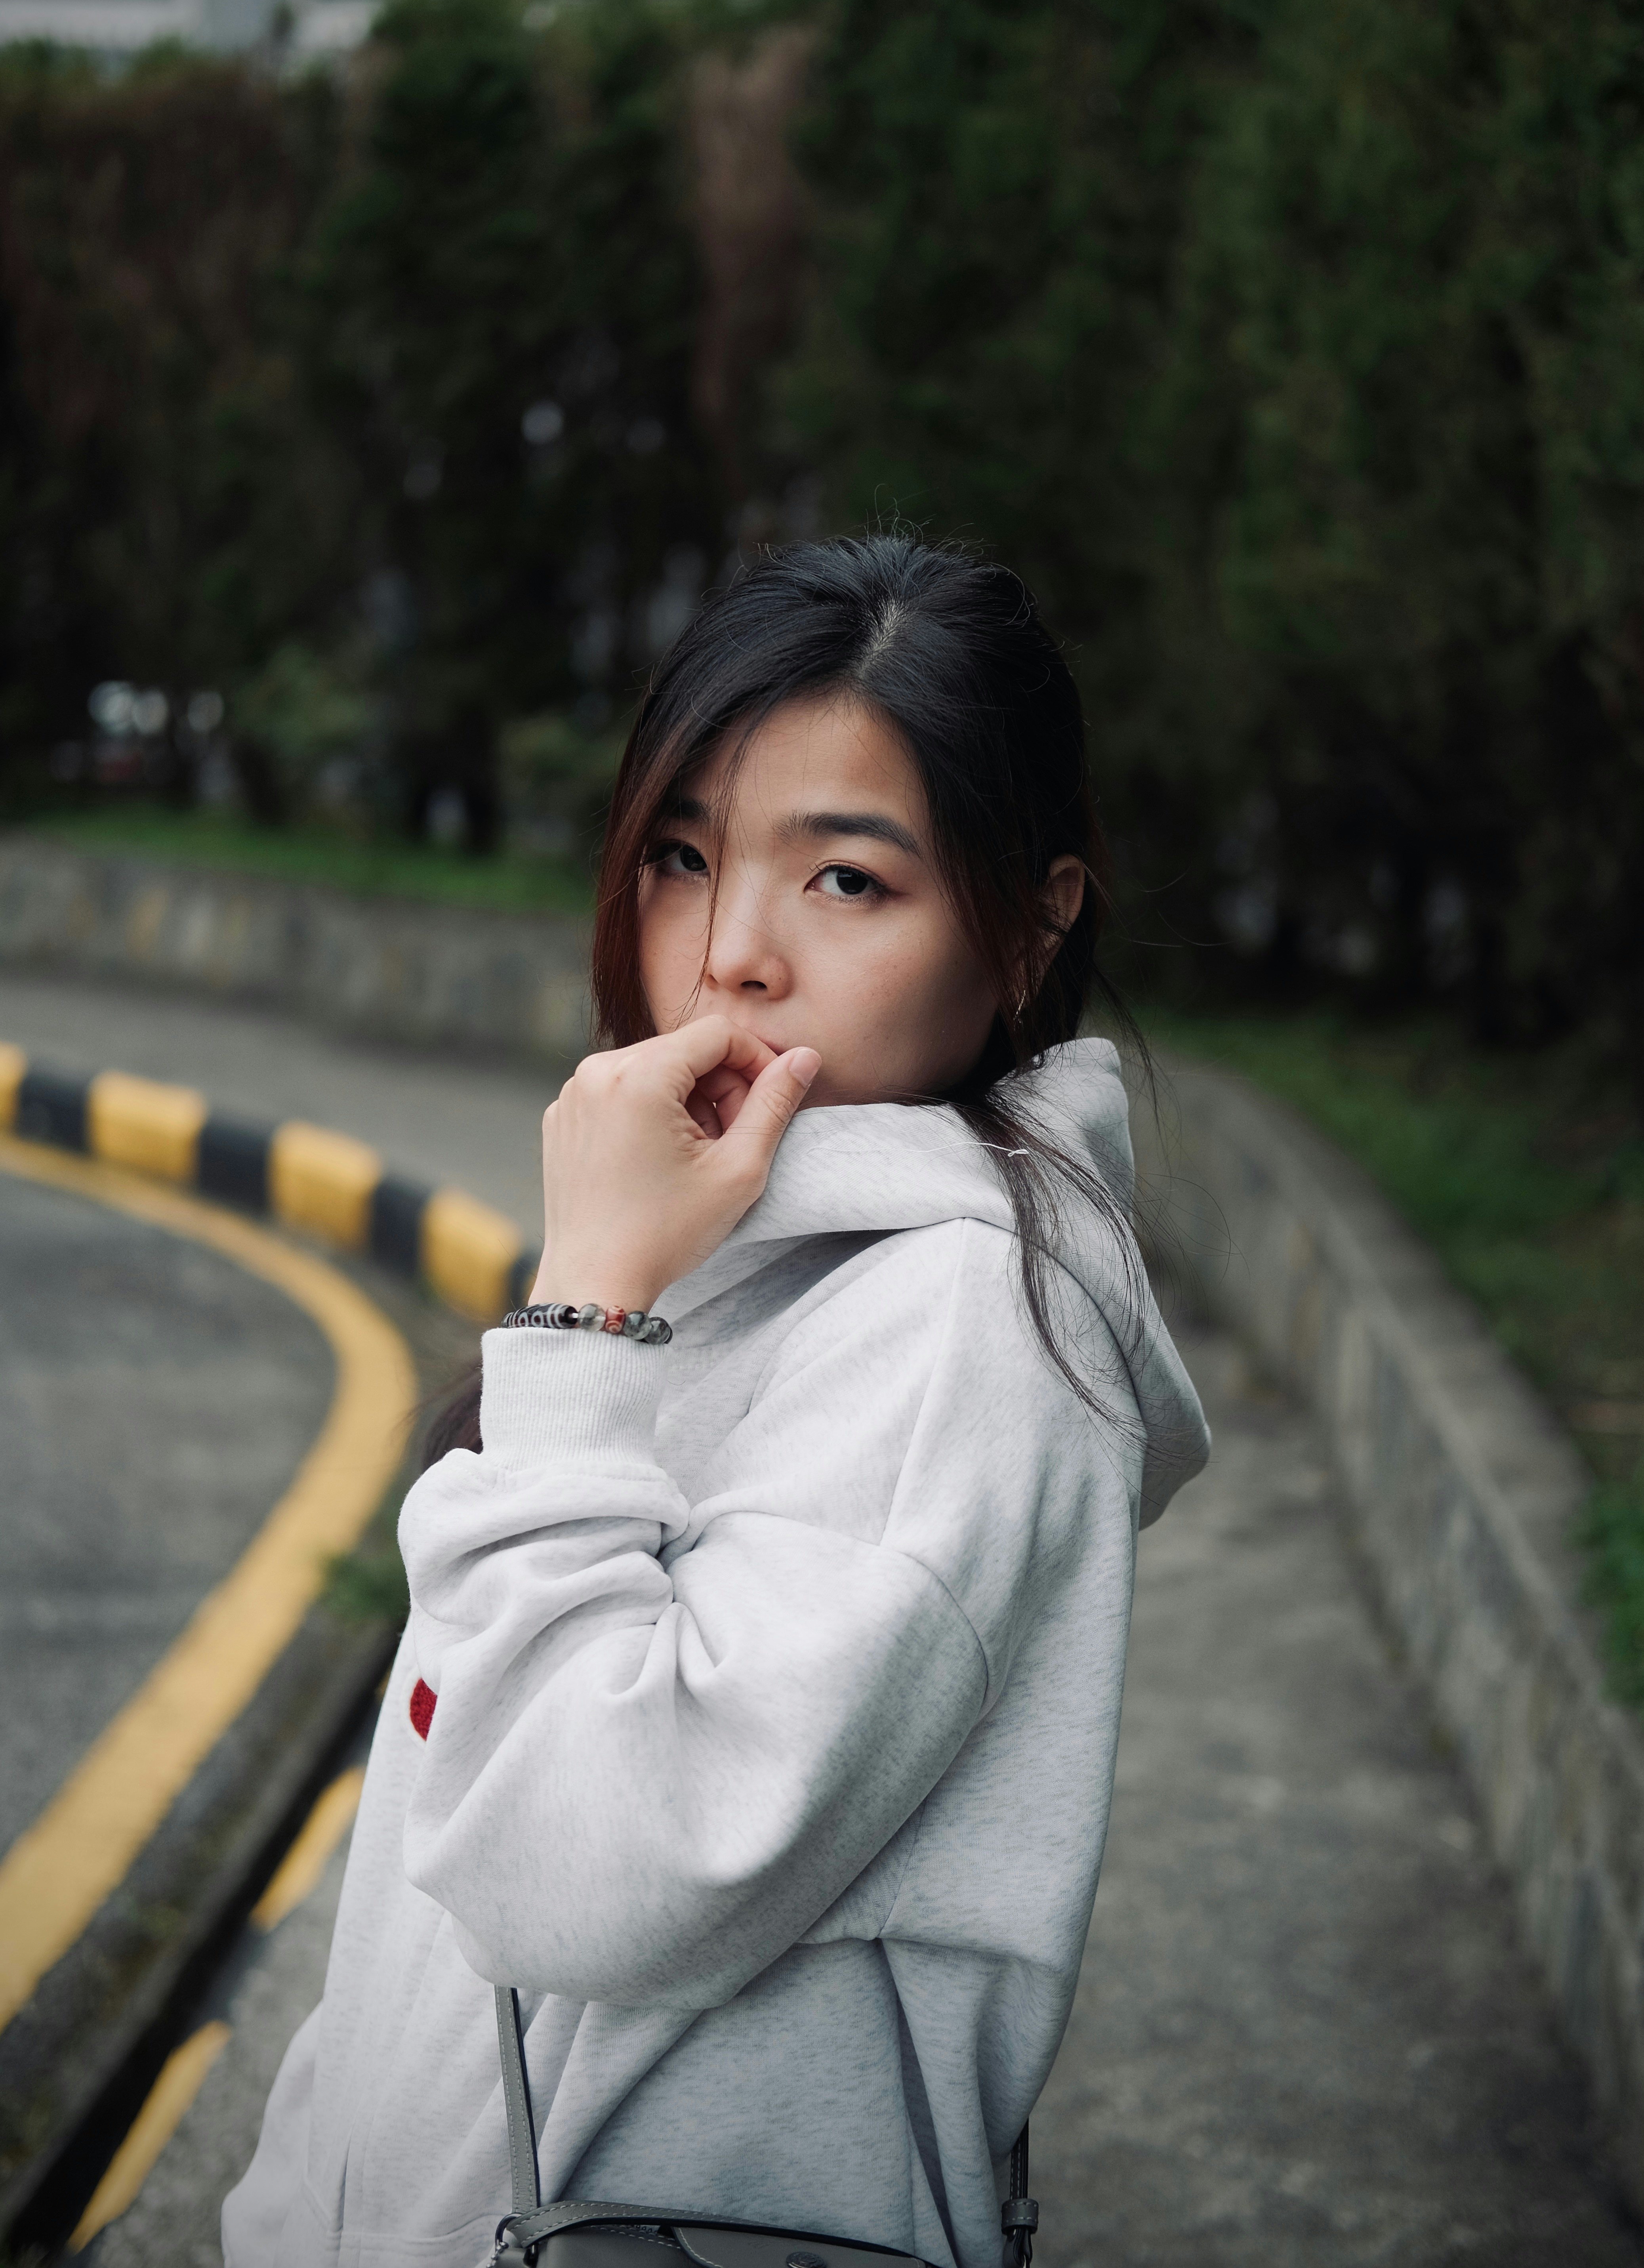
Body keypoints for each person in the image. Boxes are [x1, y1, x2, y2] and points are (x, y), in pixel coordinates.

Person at [223, 533, 1209, 2268]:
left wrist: (583, 1305)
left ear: (1038, 921)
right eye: (682, 857)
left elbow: (578, 1867)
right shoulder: (733, 1234)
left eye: (846, 882)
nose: (730, 955)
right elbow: (419, 1919)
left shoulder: (959, 1329)